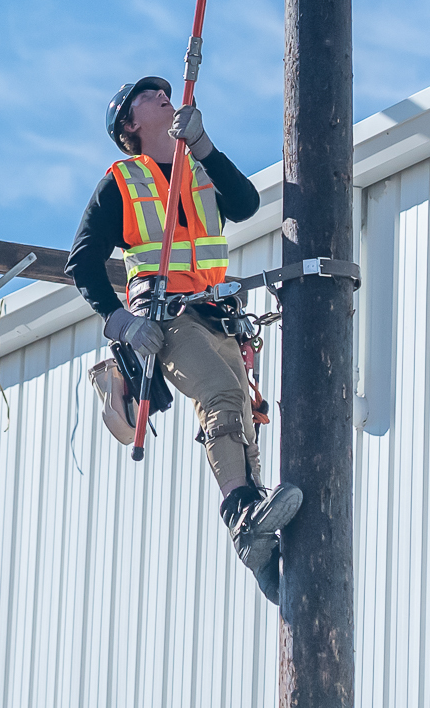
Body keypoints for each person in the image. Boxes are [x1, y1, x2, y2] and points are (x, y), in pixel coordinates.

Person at [66, 75, 303, 603]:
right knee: (220, 395)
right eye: (147, 96)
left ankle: (259, 542)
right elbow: (81, 260)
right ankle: (243, 515)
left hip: (216, 312)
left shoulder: (197, 169)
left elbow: (243, 204)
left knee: (241, 410)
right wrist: (120, 322)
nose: (162, 95)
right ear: (129, 124)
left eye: (161, 91)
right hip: (165, 318)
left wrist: (205, 146)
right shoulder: (122, 180)